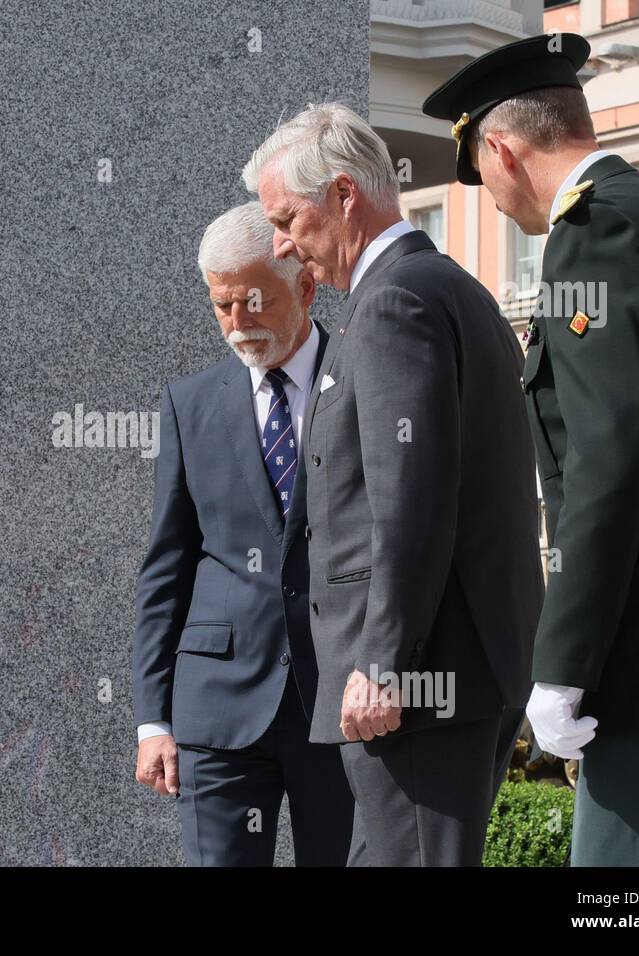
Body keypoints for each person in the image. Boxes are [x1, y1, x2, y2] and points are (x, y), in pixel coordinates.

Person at [423, 32, 639, 866]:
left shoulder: (593, 238)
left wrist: (564, 666)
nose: (495, 202)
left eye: (483, 178)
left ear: (501, 149)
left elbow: (608, 461)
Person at [243, 103, 543, 865]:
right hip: (456, 672)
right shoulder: (454, 289)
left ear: (344, 195)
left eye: (286, 218)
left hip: (414, 689)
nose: (280, 244)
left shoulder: (392, 304)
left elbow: (410, 502)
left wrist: (382, 663)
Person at [133, 201, 353, 866]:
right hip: (218, 711)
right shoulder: (190, 403)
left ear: (305, 286)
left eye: (254, 302)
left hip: (342, 703)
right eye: (222, 306)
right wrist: (153, 719)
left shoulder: (368, 376)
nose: (237, 323)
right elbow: (166, 564)